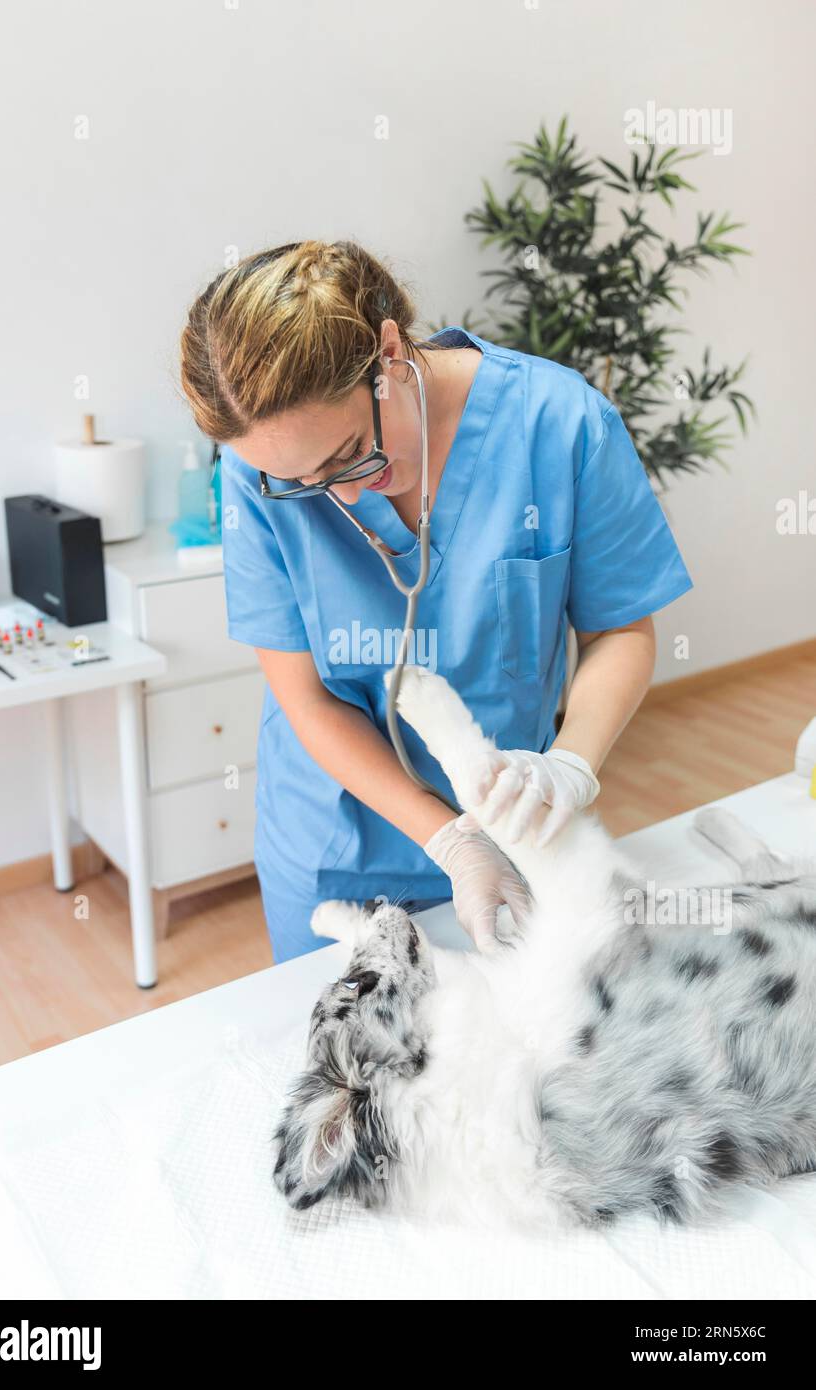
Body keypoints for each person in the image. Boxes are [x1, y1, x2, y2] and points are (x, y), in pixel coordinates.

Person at [179, 239, 693, 963]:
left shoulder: (557, 422)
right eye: (302, 481)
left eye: (350, 451)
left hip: (515, 827)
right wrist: (450, 840)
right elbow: (309, 703)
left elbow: (620, 631)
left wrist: (572, 765)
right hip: (334, 851)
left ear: (390, 353)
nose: (342, 495)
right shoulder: (258, 473)